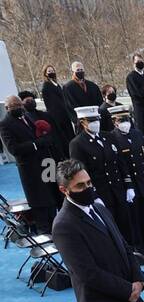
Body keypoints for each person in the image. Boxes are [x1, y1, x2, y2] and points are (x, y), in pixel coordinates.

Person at [50, 160, 144, 302]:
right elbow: (87, 273)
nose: (87, 189)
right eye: (80, 186)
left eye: (88, 183)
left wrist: (138, 279)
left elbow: (123, 246)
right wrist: (127, 290)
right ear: (64, 189)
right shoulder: (64, 225)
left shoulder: (98, 208)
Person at [68, 105, 133, 247]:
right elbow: (81, 174)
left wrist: (128, 185)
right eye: (91, 120)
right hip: (101, 194)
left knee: (126, 228)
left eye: (97, 119)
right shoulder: (77, 144)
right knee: (109, 232)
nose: (95, 123)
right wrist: (94, 195)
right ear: (83, 122)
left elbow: (120, 162)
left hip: (118, 190)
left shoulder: (108, 137)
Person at [0, 94, 61, 233]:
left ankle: (57, 227)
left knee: (53, 194)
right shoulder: (5, 124)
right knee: (40, 201)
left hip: (47, 162)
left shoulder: (28, 117)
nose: (19, 108)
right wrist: (35, 144)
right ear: (7, 108)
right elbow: (13, 148)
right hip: (30, 168)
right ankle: (45, 232)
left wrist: (45, 139)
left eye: (20, 105)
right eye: (15, 106)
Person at [107, 105, 144, 256]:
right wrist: (128, 186)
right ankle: (139, 252)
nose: (125, 122)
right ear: (114, 122)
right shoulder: (112, 138)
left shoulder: (137, 134)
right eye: (121, 120)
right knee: (134, 222)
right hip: (129, 188)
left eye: (127, 119)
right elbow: (118, 165)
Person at [40, 64, 73, 157]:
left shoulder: (56, 84)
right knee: (64, 137)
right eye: (49, 71)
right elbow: (51, 104)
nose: (51, 73)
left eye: (52, 71)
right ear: (45, 74)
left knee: (69, 134)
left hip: (65, 114)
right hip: (57, 117)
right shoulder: (46, 86)